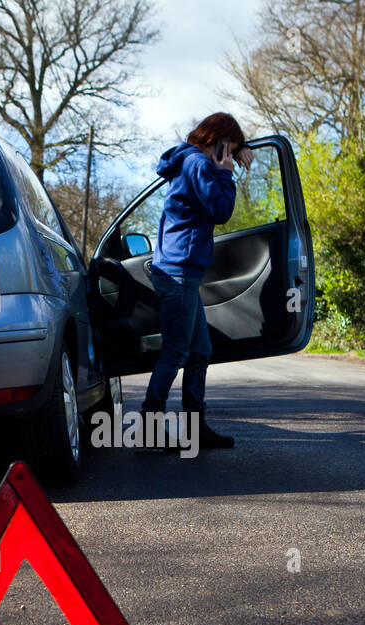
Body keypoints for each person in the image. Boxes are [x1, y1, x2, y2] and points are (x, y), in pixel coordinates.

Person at [142, 112, 254, 449]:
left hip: (180, 270)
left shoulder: (187, 161)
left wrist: (241, 149)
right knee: (177, 351)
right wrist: (225, 173)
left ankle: (194, 428)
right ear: (217, 141)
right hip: (179, 271)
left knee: (199, 350)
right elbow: (220, 210)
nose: (231, 156)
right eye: (229, 148)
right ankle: (150, 428)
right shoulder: (199, 166)